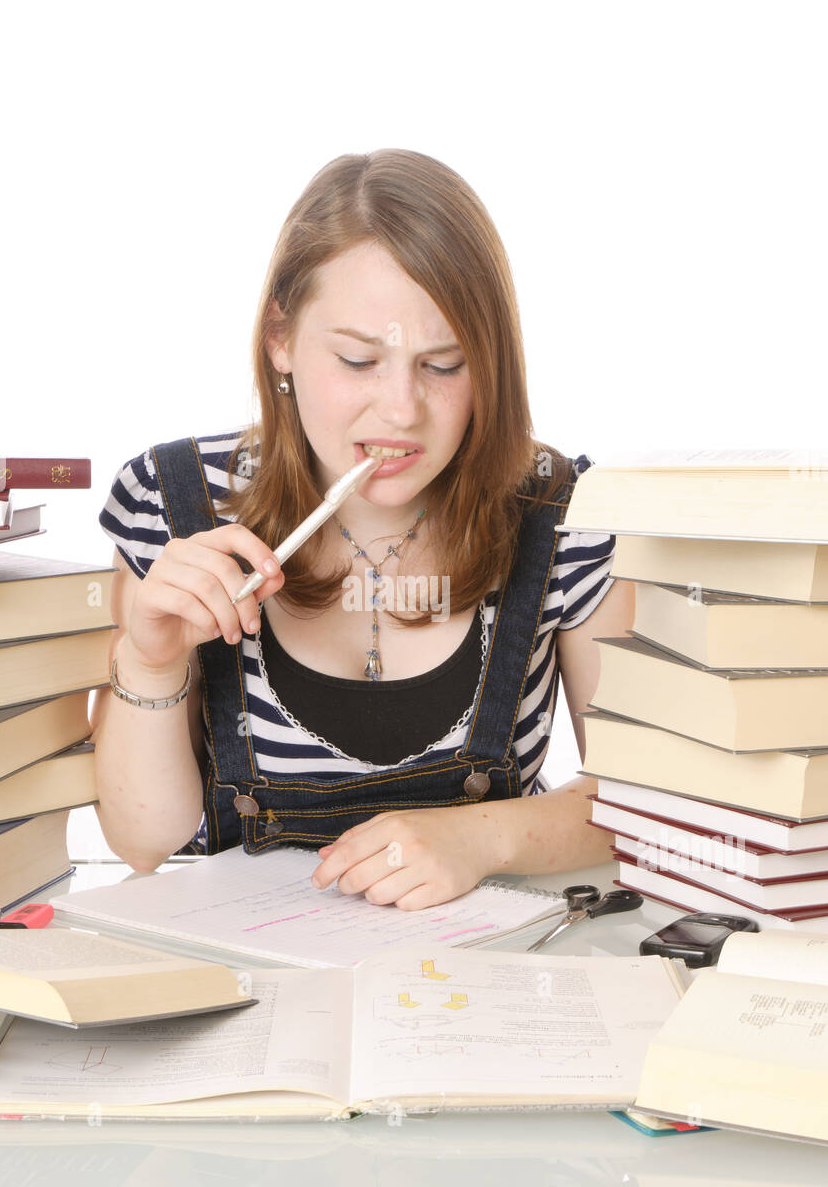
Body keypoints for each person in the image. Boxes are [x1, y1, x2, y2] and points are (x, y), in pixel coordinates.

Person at [93, 148, 634, 909]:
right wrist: (151, 661)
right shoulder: (173, 503)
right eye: (357, 360)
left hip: (487, 966)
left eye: (444, 365)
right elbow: (142, 843)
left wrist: (482, 838)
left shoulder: (568, 514)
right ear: (280, 338)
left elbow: (648, 802)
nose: (401, 410)